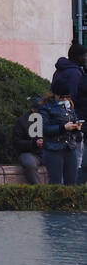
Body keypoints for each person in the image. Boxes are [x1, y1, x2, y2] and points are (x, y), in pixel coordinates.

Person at [49, 43, 87, 179]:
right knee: (76, 160)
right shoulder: (75, 73)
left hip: (59, 121)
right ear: (78, 57)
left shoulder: (60, 70)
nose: (86, 58)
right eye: (84, 55)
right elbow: (74, 98)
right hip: (73, 121)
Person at [36, 88, 83, 185]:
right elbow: (44, 128)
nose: (64, 99)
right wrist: (63, 127)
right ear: (55, 95)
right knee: (55, 183)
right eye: (62, 97)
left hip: (70, 146)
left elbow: (74, 118)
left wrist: (76, 127)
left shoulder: (69, 106)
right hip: (54, 148)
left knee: (71, 182)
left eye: (67, 97)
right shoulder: (46, 107)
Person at [12, 98, 44, 184]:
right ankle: (39, 190)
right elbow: (16, 142)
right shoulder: (22, 121)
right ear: (33, 110)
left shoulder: (47, 118)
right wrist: (34, 143)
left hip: (47, 151)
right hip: (29, 152)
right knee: (30, 164)